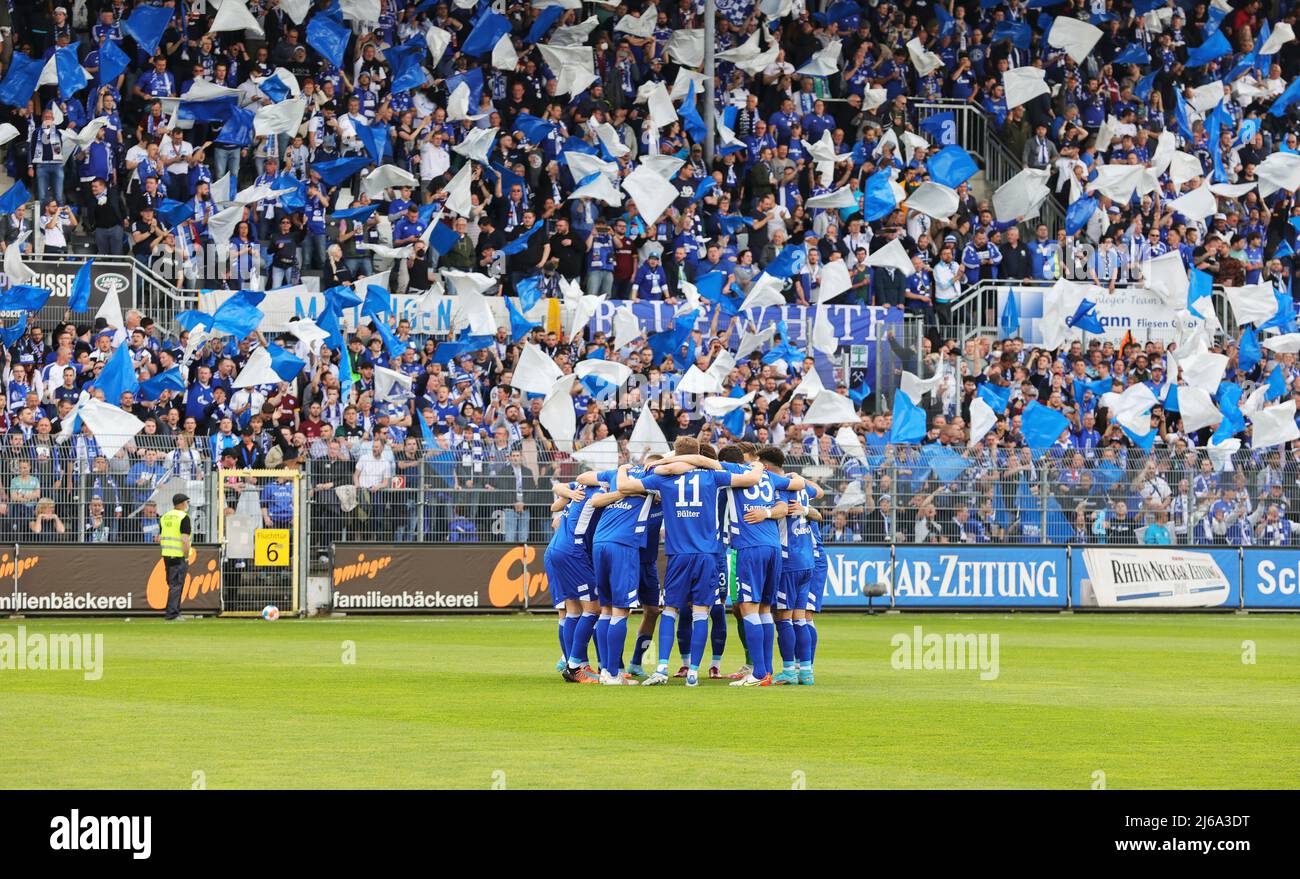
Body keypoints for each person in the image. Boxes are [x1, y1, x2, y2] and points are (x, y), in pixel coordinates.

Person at [160, 493, 193, 621]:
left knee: (172, 584)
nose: (187, 505)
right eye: (187, 502)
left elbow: (161, 536)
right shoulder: (184, 517)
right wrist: (185, 556)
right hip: (178, 555)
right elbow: (185, 540)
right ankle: (172, 613)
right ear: (181, 503)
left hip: (167, 554)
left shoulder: (165, 517)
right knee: (177, 584)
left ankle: (175, 611)